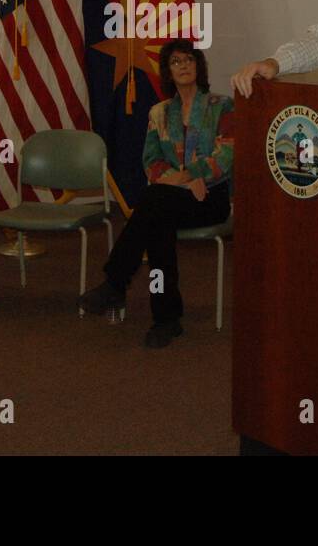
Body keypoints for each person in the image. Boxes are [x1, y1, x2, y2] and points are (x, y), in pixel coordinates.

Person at [80, 39, 234, 348]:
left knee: (152, 205)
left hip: (210, 198)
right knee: (157, 219)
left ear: (198, 66)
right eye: (176, 62)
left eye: (188, 59)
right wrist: (182, 181)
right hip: (171, 196)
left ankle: (116, 283)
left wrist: (190, 175)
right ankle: (165, 319)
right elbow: (151, 162)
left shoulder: (222, 105)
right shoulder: (159, 113)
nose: (183, 66)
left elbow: (226, 156)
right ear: (167, 71)